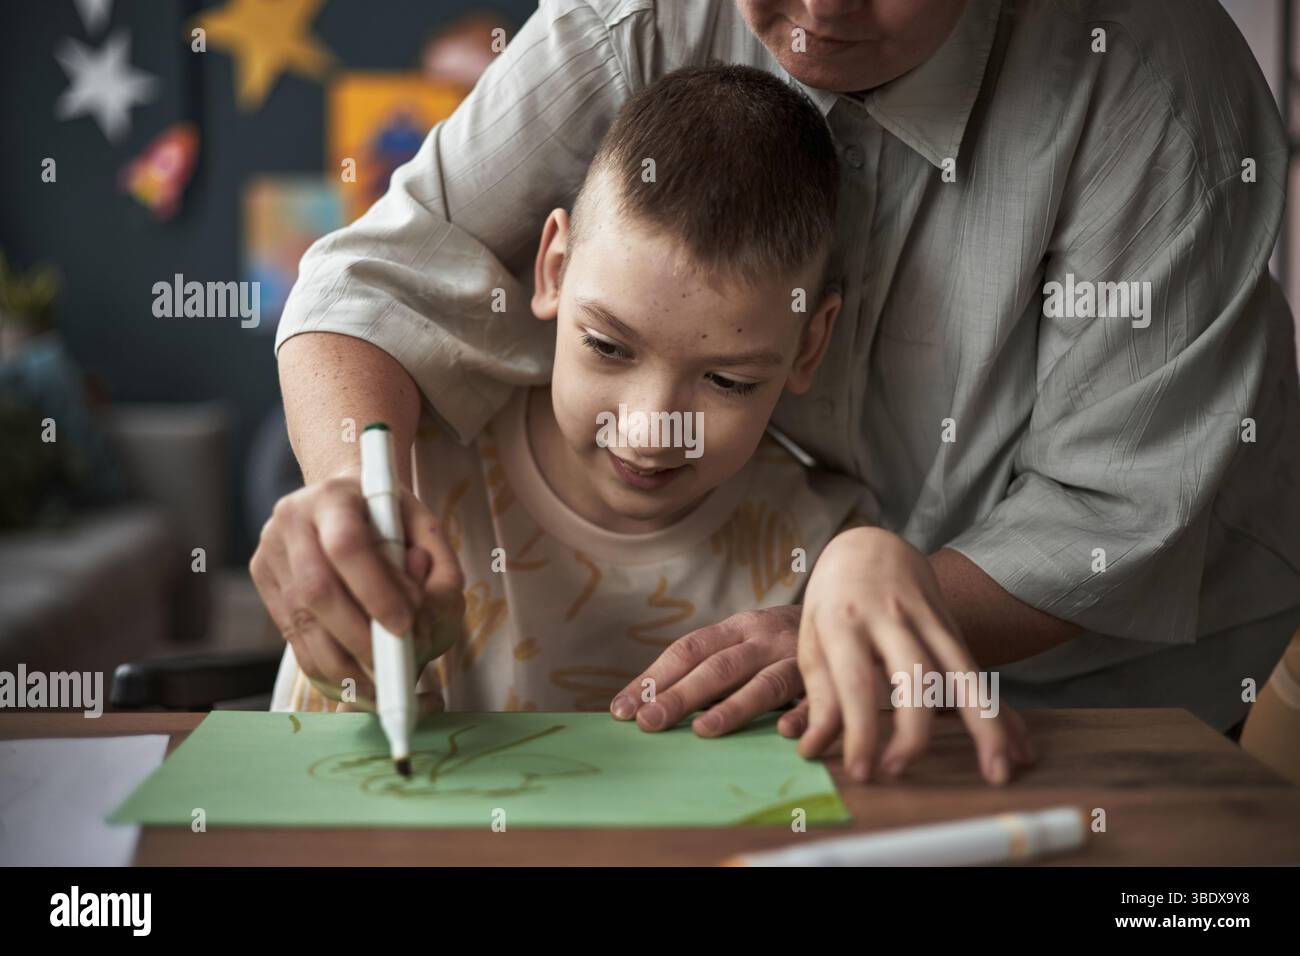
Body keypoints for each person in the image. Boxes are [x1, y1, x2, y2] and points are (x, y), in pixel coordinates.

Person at [255, 0, 1300, 783]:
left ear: (808, 344)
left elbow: (1115, 513)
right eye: (611, 346)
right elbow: (374, 279)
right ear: (552, 269)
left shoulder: (1157, 92)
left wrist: (863, 603)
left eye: (724, 375)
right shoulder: (637, 14)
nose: (817, 11)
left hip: (1120, 695)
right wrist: (361, 500)